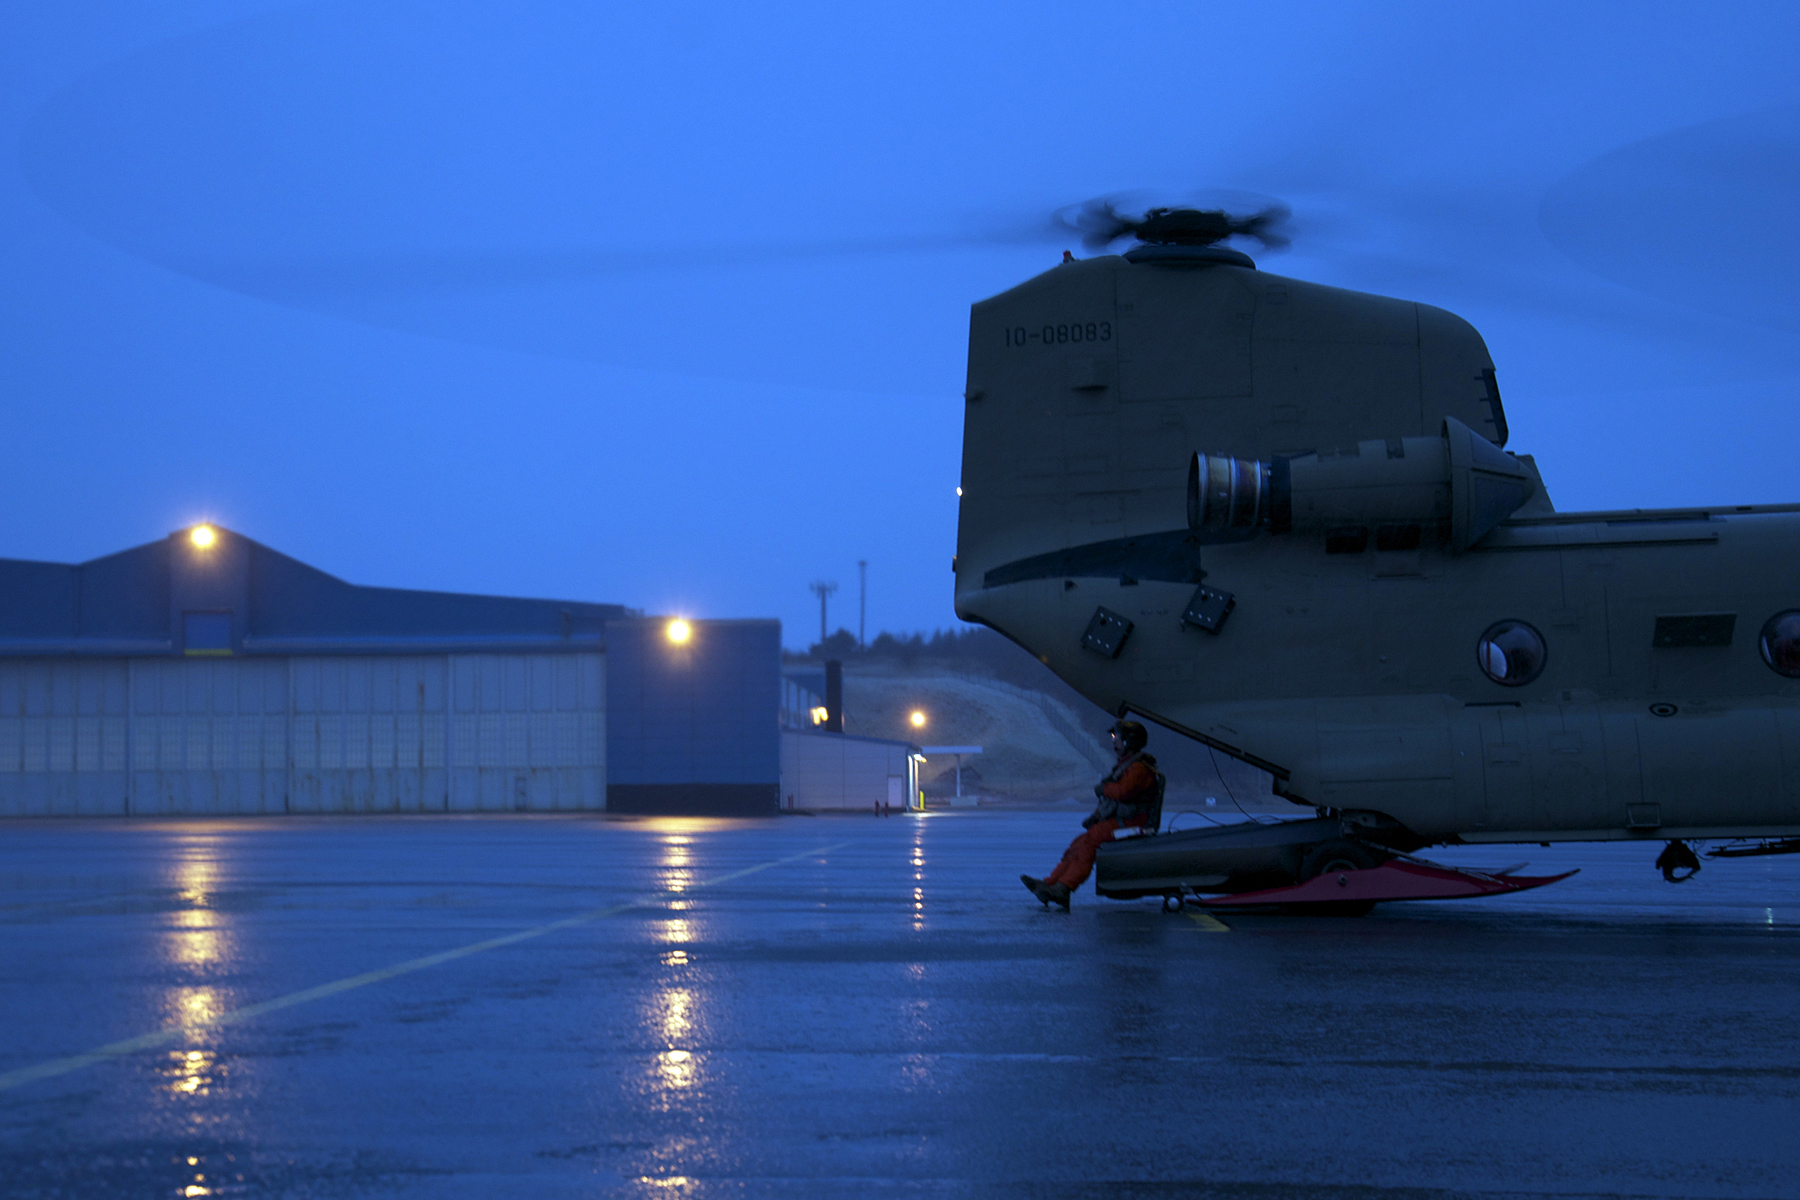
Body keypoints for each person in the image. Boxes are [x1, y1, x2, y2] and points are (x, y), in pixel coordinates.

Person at [1022, 720, 1160, 910]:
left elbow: (1121, 793)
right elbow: (1113, 802)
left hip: (1135, 825)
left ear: (1128, 741)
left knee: (1091, 840)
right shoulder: (1128, 766)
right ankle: (1051, 883)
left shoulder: (1138, 769)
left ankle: (1064, 888)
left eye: (1117, 737)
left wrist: (1104, 788)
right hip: (1124, 822)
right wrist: (1096, 815)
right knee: (1079, 843)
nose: (1114, 742)